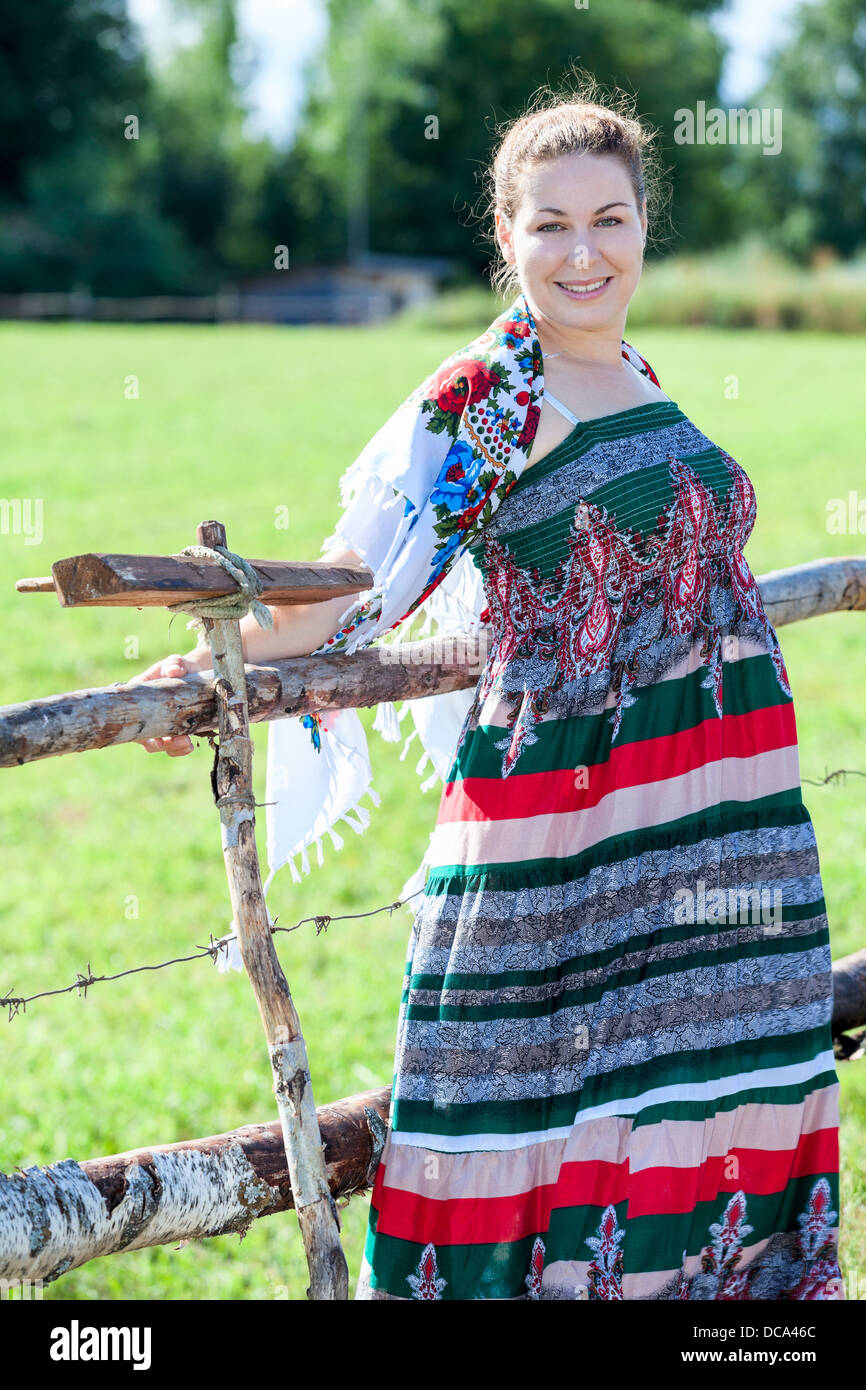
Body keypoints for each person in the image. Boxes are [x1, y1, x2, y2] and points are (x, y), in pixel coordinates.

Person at [132, 85, 843, 1301]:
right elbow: (358, 572)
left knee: (715, 1086)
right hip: (569, 822)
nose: (583, 252)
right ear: (504, 235)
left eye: (608, 221)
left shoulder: (636, 365)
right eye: (550, 225)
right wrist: (220, 665)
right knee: (518, 1108)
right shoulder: (490, 393)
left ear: (639, 231)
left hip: (720, 822)